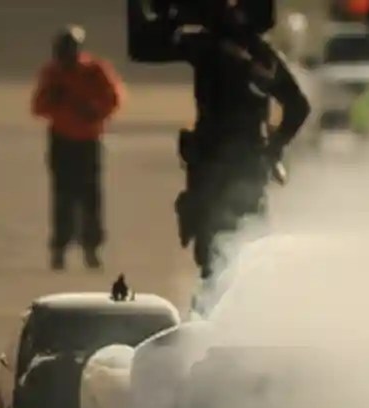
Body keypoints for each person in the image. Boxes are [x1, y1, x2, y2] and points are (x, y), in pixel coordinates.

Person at [128, 0, 311, 280]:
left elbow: (142, 47)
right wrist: (272, 148)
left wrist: (170, 16)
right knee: (241, 250)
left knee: (221, 254)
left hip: (216, 165)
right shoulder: (260, 55)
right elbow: (298, 107)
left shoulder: (209, 48)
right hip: (240, 164)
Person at [31, 25, 124, 271]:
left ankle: (91, 247)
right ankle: (59, 247)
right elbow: (38, 107)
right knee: (63, 196)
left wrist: (95, 110)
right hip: (62, 140)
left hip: (88, 141)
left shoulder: (95, 70)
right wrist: (55, 101)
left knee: (90, 196)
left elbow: (114, 98)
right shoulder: (52, 74)